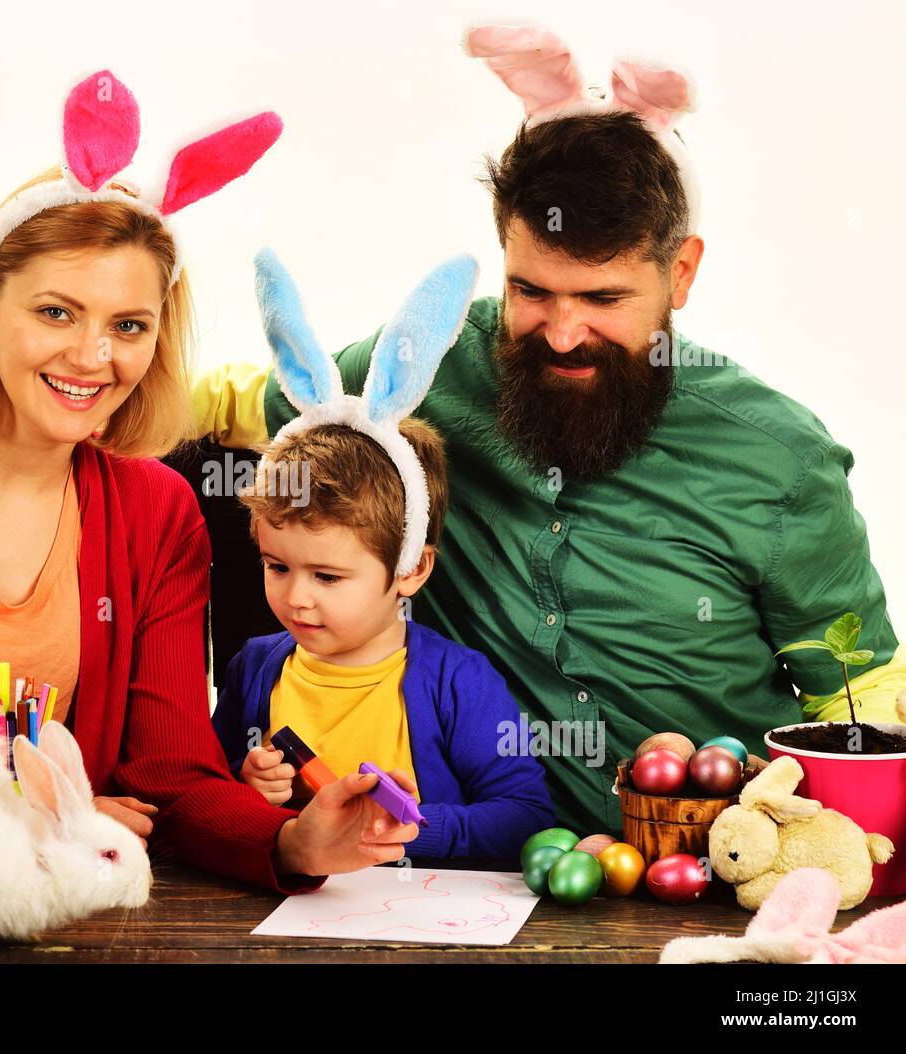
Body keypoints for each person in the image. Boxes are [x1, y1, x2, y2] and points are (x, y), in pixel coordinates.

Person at [191, 30, 902, 838]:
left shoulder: (779, 458)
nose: (561, 333)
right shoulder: (432, 367)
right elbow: (249, 401)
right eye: (531, 290)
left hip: (709, 866)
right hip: (486, 872)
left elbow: (860, 696)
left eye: (602, 299)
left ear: (683, 272)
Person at [0, 70, 419, 894]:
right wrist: (21, 813)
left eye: (127, 325)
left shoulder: (157, 512)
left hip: (62, 919)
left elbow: (173, 777)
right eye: (57, 312)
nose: (94, 358)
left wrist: (290, 844)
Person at [211, 249, 554, 862]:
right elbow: (207, 791)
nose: (296, 596)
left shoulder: (458, 683)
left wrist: (416, 827)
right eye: (277, 565)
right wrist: (247, 785)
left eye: (328, 576)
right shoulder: (253, 670)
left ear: (411, 569)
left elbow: (523, 817)